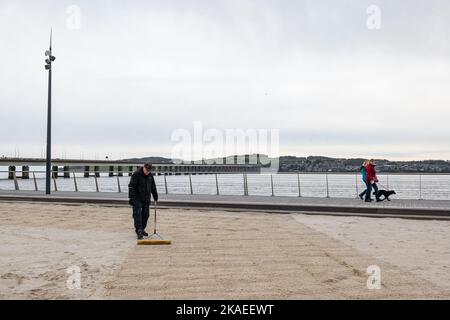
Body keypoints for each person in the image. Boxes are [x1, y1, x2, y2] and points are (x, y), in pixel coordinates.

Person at [128, 163, 158, 239]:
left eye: (149, 170)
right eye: (147, 170)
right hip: (137, 198)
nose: (148, 172)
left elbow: (153, 187)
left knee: (146, 215)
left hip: (146, 198)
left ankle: (142, 229)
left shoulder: (150, 176)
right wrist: (131, 198)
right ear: (143, 167)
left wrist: (155, 196)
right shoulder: (136, 174)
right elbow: (131, 186)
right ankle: (139, 231)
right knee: (137, 215)